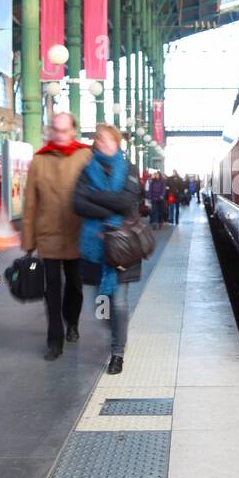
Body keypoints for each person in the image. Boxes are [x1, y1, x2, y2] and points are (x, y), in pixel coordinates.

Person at [20, 112, 92, 361]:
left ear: (73, 130)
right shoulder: (39, 160)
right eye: (55, 129)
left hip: (78, 233)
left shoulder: (86, 156)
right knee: (52, 289)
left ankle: (72, 321)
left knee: (75, 285)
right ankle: (54, 340)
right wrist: (28, 240)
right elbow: (30, 202)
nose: (59, 135)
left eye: (63, 130)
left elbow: (96, 193)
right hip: (48, 234)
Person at [73, 125, 142, 375]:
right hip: (94, 246)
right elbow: (77, 204)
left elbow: (126, 203)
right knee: (100, 306)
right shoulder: (87, 169)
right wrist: (108, 210)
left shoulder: (129, 169)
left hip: (122, 245)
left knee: (120, 303)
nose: (103, 143)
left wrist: (95, 197)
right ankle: (115, 332)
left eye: (107, 139)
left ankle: (117, 353)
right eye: (99, 139)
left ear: (117, 142)